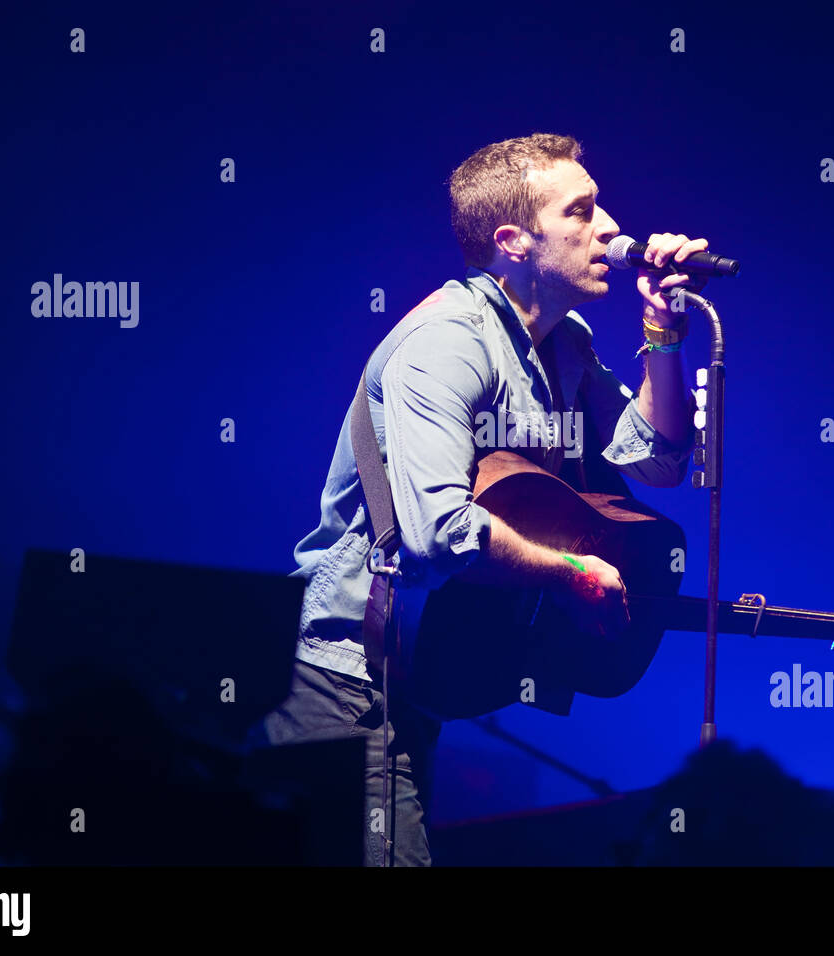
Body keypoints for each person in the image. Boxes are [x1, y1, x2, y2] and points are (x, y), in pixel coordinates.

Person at [248, 132, 707, 866]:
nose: (613, 227)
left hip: (412, 684)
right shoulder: (444, 343)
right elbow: (440, 532)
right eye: (581, 211)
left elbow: (655, 462)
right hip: (341, 682)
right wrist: (574, 574)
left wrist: (663, 334)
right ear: (513, 241)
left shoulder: (566, 344)